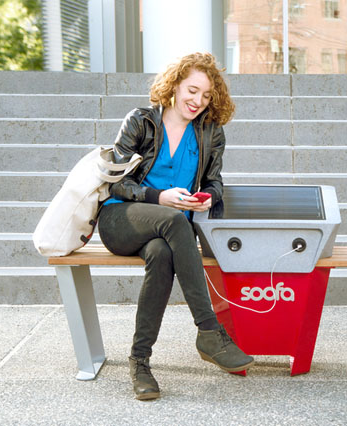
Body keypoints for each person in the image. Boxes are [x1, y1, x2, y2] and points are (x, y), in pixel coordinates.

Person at [97, 52, 253, 400]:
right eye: (192, 90)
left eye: (206, 95)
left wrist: (209, 197)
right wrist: (158, 197)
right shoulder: (141, 121)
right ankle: (209, 330)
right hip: (122, 218)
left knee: (162, 253)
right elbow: (113, 183)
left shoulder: (210, 132)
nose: (198, 101)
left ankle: (140, 363)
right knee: (171, 220)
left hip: (168, 233)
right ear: (175, 85)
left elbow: (214, 182)